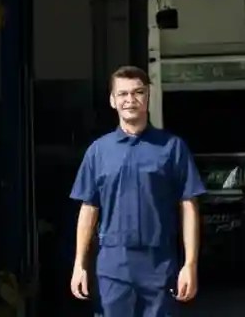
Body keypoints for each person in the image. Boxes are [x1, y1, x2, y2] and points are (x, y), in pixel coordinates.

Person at [68, 65, 206, 317]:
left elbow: (188, 207)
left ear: (147, 96)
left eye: (137, 92)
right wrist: (79, 264)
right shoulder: (98, 152)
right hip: (112, 266)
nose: (130, 100)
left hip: (159, 264)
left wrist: (190, 264)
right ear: (112, 100)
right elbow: (88, 209)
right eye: (122, 94)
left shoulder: (172, 148)